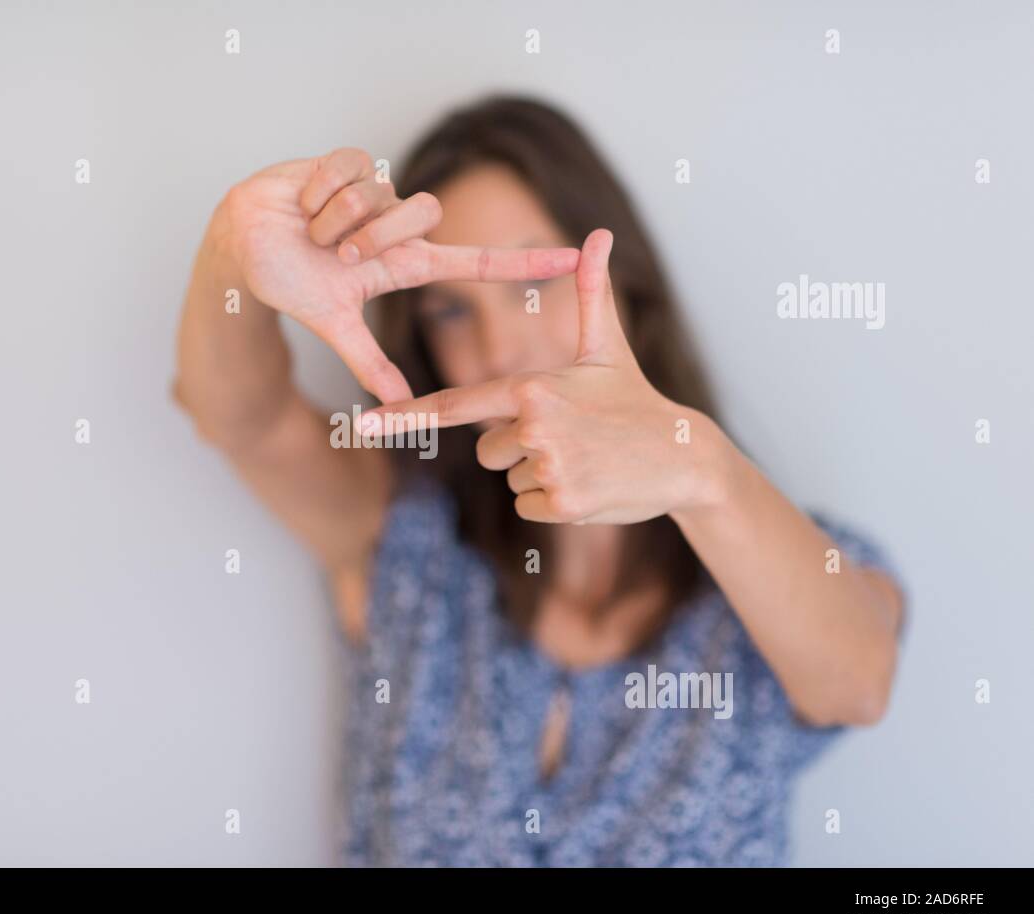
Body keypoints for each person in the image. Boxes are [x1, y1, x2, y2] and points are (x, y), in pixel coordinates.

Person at [174, 96, 906, 866]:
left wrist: (699, 466)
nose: (499, 348)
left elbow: (859, 683)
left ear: (626, 285)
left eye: (532, 283)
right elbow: (242, 419)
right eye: (449, 310)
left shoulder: (771, 565)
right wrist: (234, 252)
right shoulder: (405, 535)